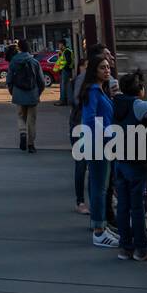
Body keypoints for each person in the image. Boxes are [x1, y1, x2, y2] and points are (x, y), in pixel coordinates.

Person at [112, 70, 147, 260]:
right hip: (136, 161)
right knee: (137, 207)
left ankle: (125, 247)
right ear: (140, 88)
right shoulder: (139, 105)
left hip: (119, 160)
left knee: (123, 205)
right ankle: (141, 248)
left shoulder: (116, 102)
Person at [80, 56, 118, 247]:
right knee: (99, 188)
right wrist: (107, 134)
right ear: (94, 70)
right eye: (102, 68)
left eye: (108, 67)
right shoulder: (94, 91)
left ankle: (101, 225)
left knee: (100, 187)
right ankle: (99, 231)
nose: (107, 70)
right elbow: (89, 119)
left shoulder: (99, 90)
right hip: (99, 145)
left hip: (99, 143)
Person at [7, 38, 45, 152]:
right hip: (32, 94)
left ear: (19, 48)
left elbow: (9, 79)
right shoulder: (34, 62)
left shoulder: (14, 61)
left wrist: (12, 91)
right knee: (31, 120)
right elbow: (41, 81)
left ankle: (23, 133)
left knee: (20, 116)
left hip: (18, 93)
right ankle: (31, 145)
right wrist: (38, 93)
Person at [70, 57, 89, 214]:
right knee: (82, 164)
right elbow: (76, 100)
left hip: (87, 125)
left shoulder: (107, 80)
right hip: (81, 125)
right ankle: (80, 201)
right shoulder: (83, 79)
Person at [55, 39, 74, 106]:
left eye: (59, 44)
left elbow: (68, 62)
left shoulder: (66, 51)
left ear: (62, 44)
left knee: (63, 86)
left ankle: (63, 100)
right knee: (67, 86)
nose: (58, 46)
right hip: (65, 70)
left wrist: (62, 67)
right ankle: (68, 100)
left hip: (65, 70)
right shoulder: (63, 52)